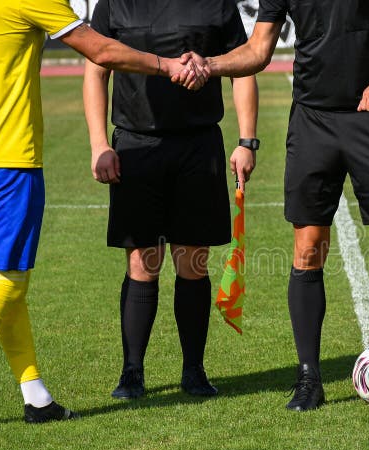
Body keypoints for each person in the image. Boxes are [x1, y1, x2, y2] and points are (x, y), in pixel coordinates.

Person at [0, 0, 204, 430]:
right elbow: (102, 52)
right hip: (11, 165)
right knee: (3, 284)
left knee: (8, 283)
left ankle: (37, 398)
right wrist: (166, 66)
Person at [178, 0, 369, 411]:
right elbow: (258, 49)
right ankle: (308, 379)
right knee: (307, 250)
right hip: (312, 123)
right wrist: (209, 65)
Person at [82, 0, 258, 400]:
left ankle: (194, 370)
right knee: (142, 261)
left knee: (193, 261)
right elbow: (96, 71)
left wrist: (247, 140)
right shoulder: (116, 3)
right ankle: (132, 372)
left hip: (198, 145)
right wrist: (97, 143)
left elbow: (241, 66)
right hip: (136, 145)